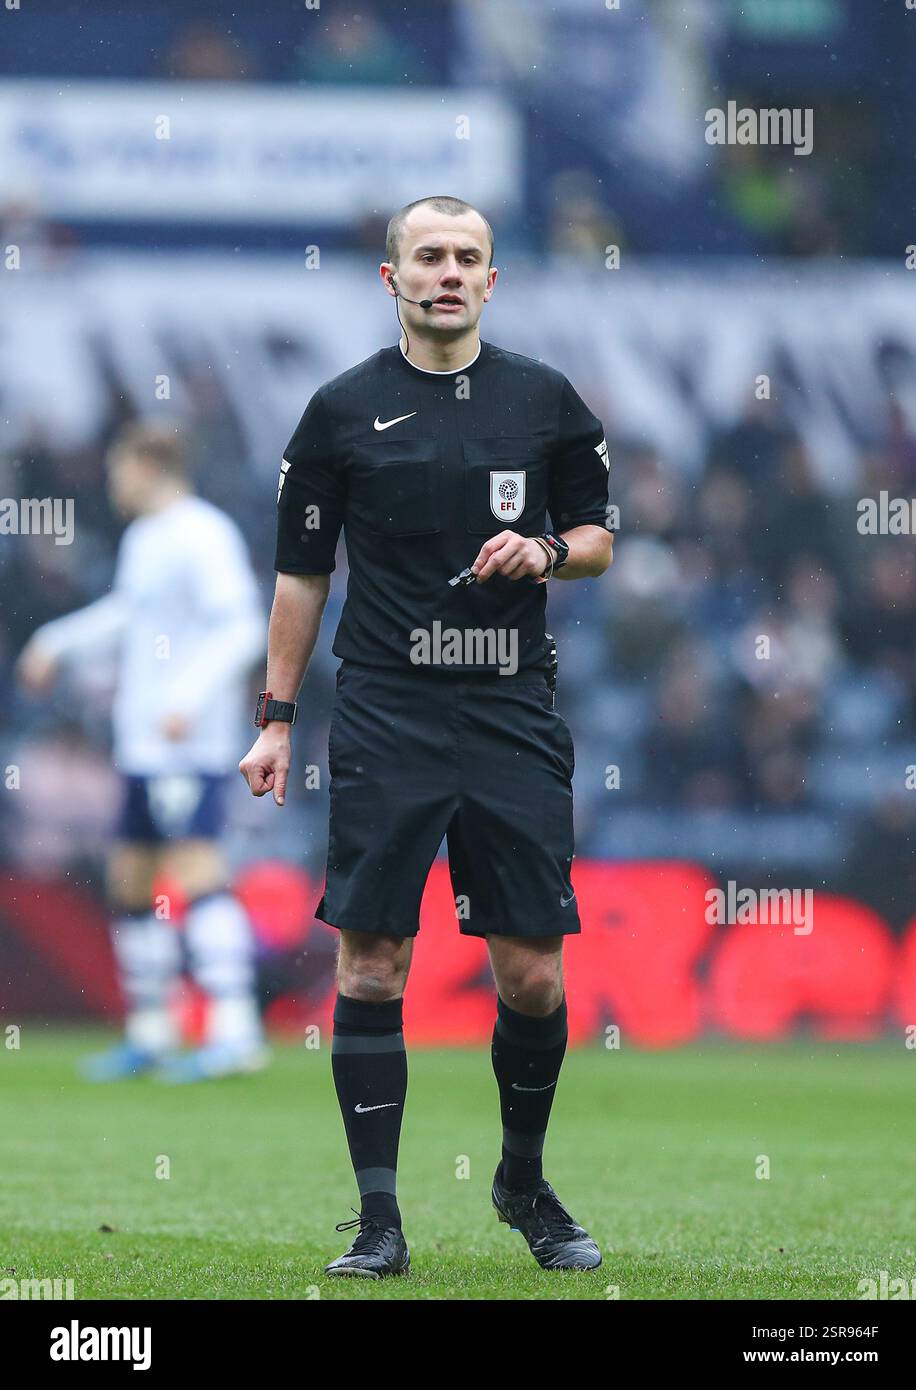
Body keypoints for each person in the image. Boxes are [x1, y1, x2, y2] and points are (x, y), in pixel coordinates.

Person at [239, 195, 613, 1274]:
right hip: (387, 706)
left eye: (468, 258)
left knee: (531, 971)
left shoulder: (545, 401)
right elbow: (301, 577)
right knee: (372, 958)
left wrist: (546, 551)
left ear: (492, 281)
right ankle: (378, 1218)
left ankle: (522, 1181)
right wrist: (273, 720)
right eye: (428, 256)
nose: (447, 272)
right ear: (392, 276)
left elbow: (598, 535)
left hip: (507, 702)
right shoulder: (339, 411)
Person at [17, 422, 268, 1084]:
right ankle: (153, 1029)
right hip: (143, 744)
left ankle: (235, 1030)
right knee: (130, 879)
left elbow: (242, 622)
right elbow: (129, 613)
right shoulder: (146, 538)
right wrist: (55, 643)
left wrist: (188, 695)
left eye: (119, 469)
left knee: (195, 871)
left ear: (150, 466)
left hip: (187, 741)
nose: (112, 481)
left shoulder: (201, 532)